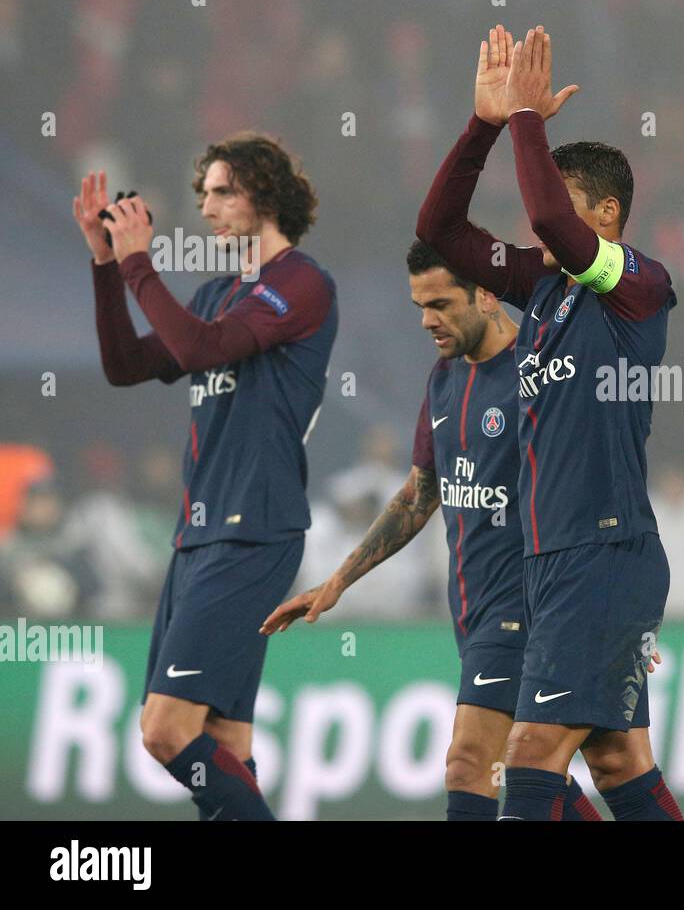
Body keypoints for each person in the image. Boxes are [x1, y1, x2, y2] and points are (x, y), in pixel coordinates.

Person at [416, 25, 682, 820]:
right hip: (555, 559)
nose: (538, 226)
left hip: (602, 550)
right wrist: (485, 125)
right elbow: (441, 232)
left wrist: (528, 117)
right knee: (617, 760)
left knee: (528, 756)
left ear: (607, 212)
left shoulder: (635, 285)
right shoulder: (547, 288)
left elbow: (551, 220)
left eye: (563, 209)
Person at [261, 240, 603, 821]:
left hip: (530, 607)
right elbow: (422, 492)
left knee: (468, 762)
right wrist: (337, 581)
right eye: (421, 306)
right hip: (470, 611)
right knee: (531, 771)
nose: (427, 320)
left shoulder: (541, 374)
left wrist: (615, 599)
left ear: (489, 295)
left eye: (441, 304)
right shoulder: (444, 380)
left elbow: (590, 490)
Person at [74, 133, 338, 821]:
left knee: (165, 731)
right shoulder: (218, 291)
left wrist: (138, 266)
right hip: (197, 536)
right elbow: (125, 365)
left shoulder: (301, 283)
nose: (208, 206)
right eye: (204, 194)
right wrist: (107, 266)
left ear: (264, 195)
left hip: (255, 531)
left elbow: (202, 348)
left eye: (223, 191)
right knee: (222, 739)